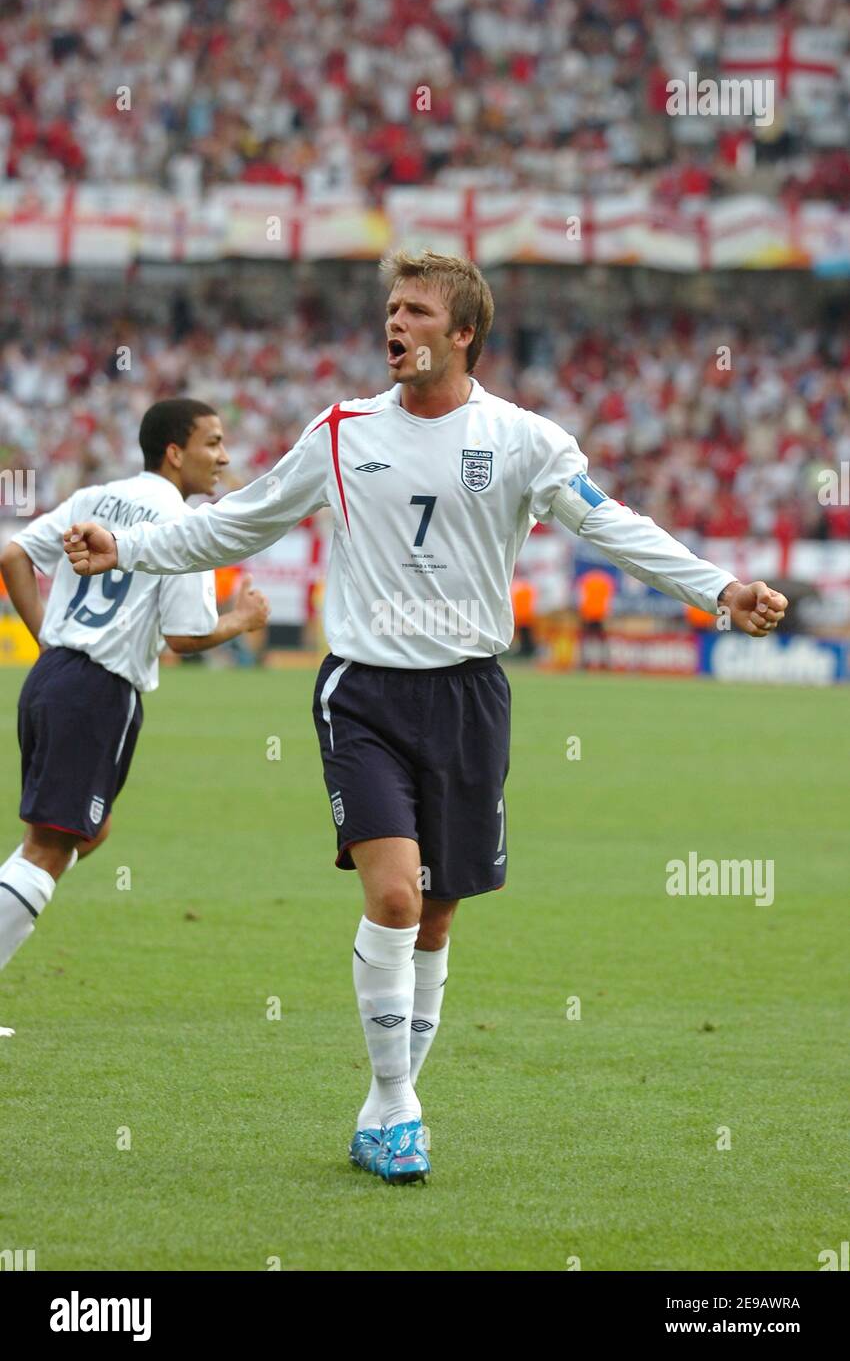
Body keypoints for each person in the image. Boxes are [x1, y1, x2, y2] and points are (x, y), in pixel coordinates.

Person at [62, 252, 788, 1184]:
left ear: (463, 333)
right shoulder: (340, 432)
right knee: (396, 895)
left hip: (469, 696)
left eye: (415, 310)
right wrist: (126, 545)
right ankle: (397, 1102)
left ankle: (383, 1105)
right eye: (391, 308)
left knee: (437, 916)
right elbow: (236, 523)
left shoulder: (523, 439)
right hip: (362, 690)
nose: (395, 323)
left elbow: (614, 527)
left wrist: (720, 590)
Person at [0, 398, 269, 1035]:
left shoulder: (94, 497)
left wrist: (52, 642)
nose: (224, 456)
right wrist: (245, 620)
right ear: (175, 451)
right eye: (213, 441)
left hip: (52, 680)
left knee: (89, 834)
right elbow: (185, 635)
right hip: (97, 690)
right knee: (47, 848)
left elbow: (13, 556)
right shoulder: (181, 521)